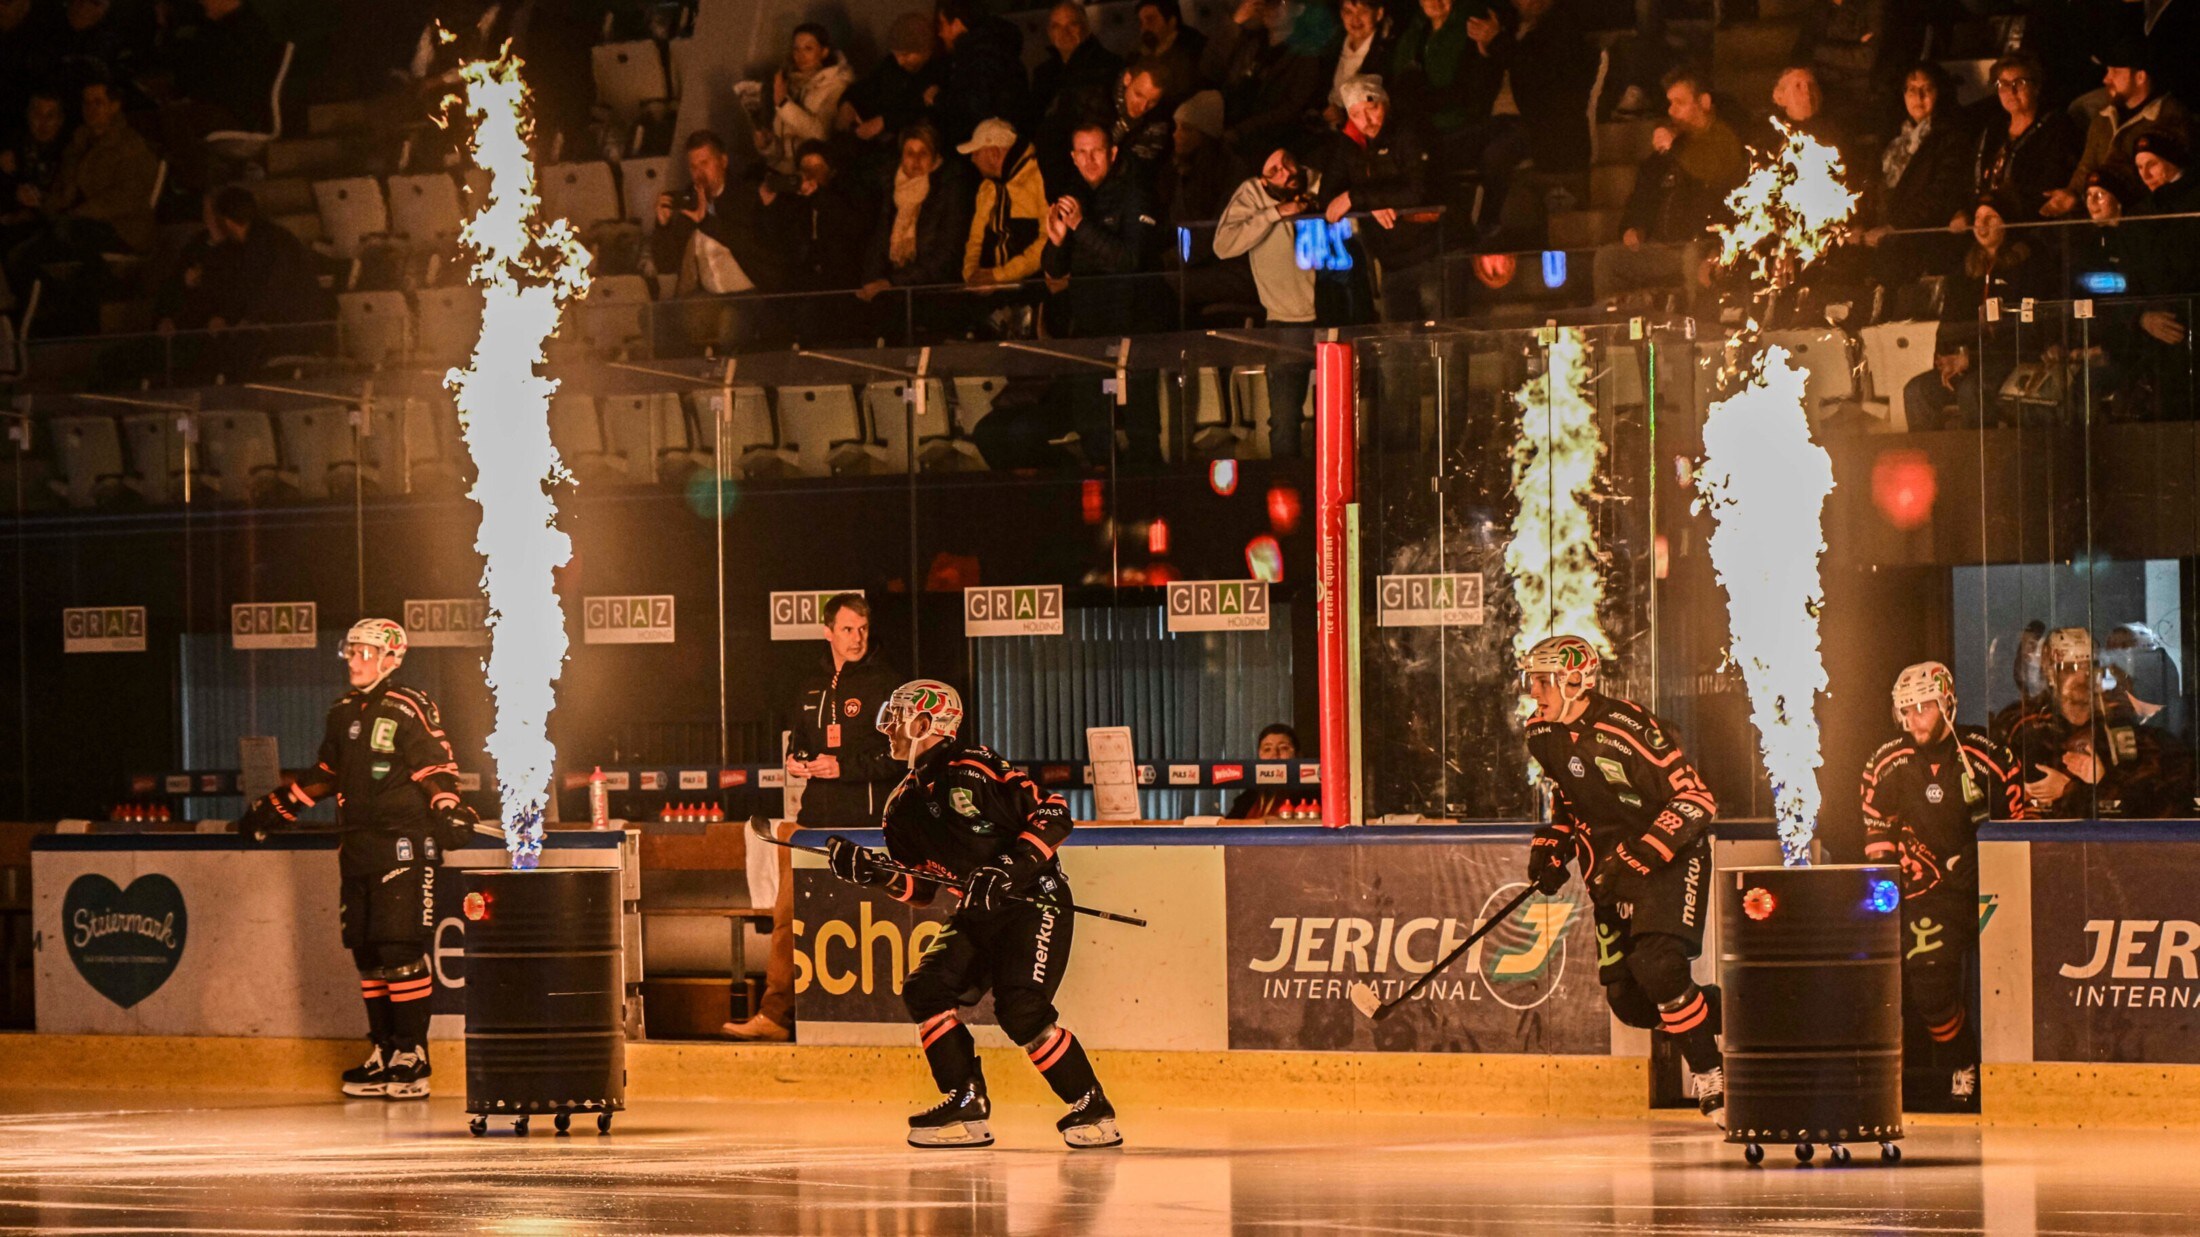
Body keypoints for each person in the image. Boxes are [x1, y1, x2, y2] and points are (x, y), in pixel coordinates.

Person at [822, 680, 1122, 1150]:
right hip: (978, 911)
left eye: (898, 718)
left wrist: (1007, 867)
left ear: (925, 723)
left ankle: (1093, 1108)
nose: (888, 730)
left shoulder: (974, 768)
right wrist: (871, 874)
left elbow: (1055, 812)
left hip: (1035, 900)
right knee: (926, 988)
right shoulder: (901, 807)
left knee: (1021, 1010)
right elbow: (920, 890)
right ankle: (965, 1100)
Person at [235, 620, 476, 1100]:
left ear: (391, 658)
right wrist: (277, 807)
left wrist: (449, 807)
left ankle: (413, 1056)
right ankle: (384, 1051)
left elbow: (435, 766)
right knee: (367, 953)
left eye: (364, 651)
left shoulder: (410, 705)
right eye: (350, 651)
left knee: (398, 948)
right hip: (357, 845)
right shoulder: (341, 710)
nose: (354, 659)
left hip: (402, 843)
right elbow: (327, 774)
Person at [1518, 635, 1725, 1128]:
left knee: (1659, 967)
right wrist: (1553, 844)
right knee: (1629, 1002)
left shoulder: (1628, 728)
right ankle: (1744, 1011)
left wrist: (1641, 854)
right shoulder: (1540, 733)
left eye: (1544, 681)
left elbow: (1698, 800)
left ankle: (1711, 1076)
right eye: (1533, 680)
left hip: (1670, 860)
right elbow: (1570, 800)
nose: (1536, 692)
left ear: (1575, 680)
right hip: (1609, 873)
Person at [728, 594, 902, 1043]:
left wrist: (844, 768)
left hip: (870, 826)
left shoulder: (888, 684)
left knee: (876, 921)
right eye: (847, 629)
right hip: (813, 824)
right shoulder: (808, 685)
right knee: (788, 917)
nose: (857, 638)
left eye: (862, 628)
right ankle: (774, 1015)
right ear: (828, 632)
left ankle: (883, 1019)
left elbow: (900, 756)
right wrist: (797, 760)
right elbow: (801, 742)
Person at [1859, 661, 2025, 1111]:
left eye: (1926, 707)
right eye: (1907, 710)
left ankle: (2015, 1075)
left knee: (2016, 982)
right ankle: (1960, 1063)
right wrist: (1888, 895)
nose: (1916, 719)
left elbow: (2020, 824)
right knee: (1929, 983)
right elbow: (1877, 837)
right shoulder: (1886, 762)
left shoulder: (1989, 753)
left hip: (1996, 886)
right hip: (1928, 890)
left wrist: (1986, 857)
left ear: (1948, 703)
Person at [1041, 122, 1163, 462]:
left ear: (1111, 153)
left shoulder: (1135, 192)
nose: (1089, 159)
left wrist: (1081, 226)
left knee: (1142, 430)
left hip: (1135, 325)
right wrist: (1055, 241)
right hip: (1088, 328)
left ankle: (1152, 498)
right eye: (1081, 152)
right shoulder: (1071, 197)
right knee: (1093, 429)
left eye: (1096, 151)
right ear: (1072, 157)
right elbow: (1053, 271)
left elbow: (1130, 259)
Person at [2, 77, 158, 333]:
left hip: (120, 228)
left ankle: (99, 300)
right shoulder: (78, 142)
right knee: (18, 256)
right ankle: (55, 308)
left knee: (68, 231)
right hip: (76, 226)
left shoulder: (130, 146)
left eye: (99, 102)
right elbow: (63, 193)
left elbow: (128, 197)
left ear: (115, 106)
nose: (91, 109)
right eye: (86, 102)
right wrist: (40, 202)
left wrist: (75, 214)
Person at [1592, 68, 1744, 309]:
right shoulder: (1673, 146)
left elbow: (1715, 174)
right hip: (1665, 249)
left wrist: (1676, 148)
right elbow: (1644, 191)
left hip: (1708, 247)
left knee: (1693, 255)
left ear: (1703, 102)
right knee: (1609, 259)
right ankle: (1614, 332)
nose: (1671, 111)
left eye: (1679, 103)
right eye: (1670, 103)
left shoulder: (1728, 138)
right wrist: (1634, 226)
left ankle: (1701, 333)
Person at [1212, 147, 1323, 453]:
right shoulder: (1251, 193)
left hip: (1334, 316)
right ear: (1261, 180)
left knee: (1336, 415)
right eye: (1273, 170)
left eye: (1287, 162)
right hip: (1285, 321)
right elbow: (1223, 245)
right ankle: (1288, 490)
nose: (1285, 173)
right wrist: (1275, 213)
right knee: (1285, 420)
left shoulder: (1321, 181)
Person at [2006, 626, 2171, 818]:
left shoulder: (2117, 727)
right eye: (2070, 668)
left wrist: (2075, 787)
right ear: (2051, 674)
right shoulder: (2025, 726)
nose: (2082, 676)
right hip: (2045, 842)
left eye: (2090, 666)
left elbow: (2143, 803)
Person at [1317, 76, 1439, 322]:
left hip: (1433, 255)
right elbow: (1327, 199)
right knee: (1397, 350)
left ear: (1385, 102)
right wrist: (1370, 202)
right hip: (1389, 262)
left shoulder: (1409, 132)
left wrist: (1358, 197)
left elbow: (1419, 192)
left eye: (1372, 109)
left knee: (1445, 340)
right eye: (1356, 114)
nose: (1366, 121)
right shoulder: (1349, 143)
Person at [2044, 38, 2190, 219]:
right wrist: (2072, 193)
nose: (2106, 78)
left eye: (2115, 71)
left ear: (2140, 77)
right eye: (2107, 70)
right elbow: (2087, 167)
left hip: (2150, 224)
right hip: (2109, 225)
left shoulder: (2169, 116)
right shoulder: (2103, 119)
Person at [1858, 64, 1973, 290]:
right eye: (1911, 89)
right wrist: (1860, 223)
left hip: (1920, 245)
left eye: (1926, 89)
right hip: (1878, 241)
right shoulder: (1892, 138)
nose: (1918, 97)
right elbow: (1871, 184)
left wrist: (1897, 227)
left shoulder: (1950, 137)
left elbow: (1941, 192)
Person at [652, 130, 784, 297]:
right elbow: (666, 264)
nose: (699, 173)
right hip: (705, 299)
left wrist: (707, 220)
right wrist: (663, 226)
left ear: (723, 161)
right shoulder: (689, 200)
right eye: (694, 166)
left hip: (751, 297)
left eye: (705, 163)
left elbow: (753, 246)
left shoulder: (746, 196)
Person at [858, 121, 973, 303]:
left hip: (933, 292)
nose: (916, 160)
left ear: (935, 157)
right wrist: (871, 282)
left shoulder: (949, 188)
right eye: (910, 153)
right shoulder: (890, 186)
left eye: (923, 153)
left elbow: (947, 253)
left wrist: (893, 282)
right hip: (892, 289)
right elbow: (878, 240)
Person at [1971, 52, 2082, 224]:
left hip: (2031, 224)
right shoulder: (1993, 129)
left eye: (2019, 83)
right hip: (1985, 221)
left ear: (2036, 87)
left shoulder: (2056, 126)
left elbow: (2052, 182)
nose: (2011, 91)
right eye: (2003, 84)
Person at [1216, 0, 1329, 166]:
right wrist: (1235, 23)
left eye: (1279, 2)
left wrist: (1241, 131)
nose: (1270, 7)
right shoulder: (1252, 42)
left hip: (1268, 140)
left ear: (1298, 9)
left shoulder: (1306, 53)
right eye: (1267, 2)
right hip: (1229, 125)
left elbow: (1292, 107)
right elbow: (1212, 70)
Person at [1031, 0, 1124, 193]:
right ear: (1049, 32)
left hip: (1096, 174)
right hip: (1053, 173)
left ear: (1086, 27)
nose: (1064, 32)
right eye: (1057, 26)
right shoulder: (1043, 74)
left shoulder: (1109, 66)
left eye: (1071, 24)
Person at [838, 12, 946, 176]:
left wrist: (885, 121)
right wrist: (847, 102)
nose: (900, 61)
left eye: (906, 55)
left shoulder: (938, 73)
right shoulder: (891, 66)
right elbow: (865, 87)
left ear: (925, 50)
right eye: (896, 54)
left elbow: (924, 113)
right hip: (875, 149)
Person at [750, 23, 854, 178]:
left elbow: (821, 135)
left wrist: (784, 104)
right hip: (780, 171)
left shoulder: (836, 85)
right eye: (796, 49)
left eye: (808, 49)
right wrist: (768, 144)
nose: (800, 56)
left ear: (824, 52)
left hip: (809, 175)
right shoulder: (790, 81)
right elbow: (785, 143)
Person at [961, 117, 1047, 288]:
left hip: (1030, 290)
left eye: (976, 152)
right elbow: (974, 241)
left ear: (994, 153)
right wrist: (972, 275)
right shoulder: (987, 188)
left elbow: (1047, 242)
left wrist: (999, 276)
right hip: (992, 293)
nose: (972, 159)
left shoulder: (1039, 177)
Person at [933, 0, 1029, 147]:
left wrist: (938, 99)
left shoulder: (977, 58)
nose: (940, 33)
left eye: (941, 24)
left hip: (989, 145)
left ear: (957, 24)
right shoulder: (996, 48)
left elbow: (975, 107)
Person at [1133, 0, 1208, 102]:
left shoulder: (1195, 50)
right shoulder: (1139, 54)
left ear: (1171, 21)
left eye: (1151, 20)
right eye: (1141, 22)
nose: (1144, 28)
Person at [1225, 723, 1300, 818]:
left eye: (1283, 748)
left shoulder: (1310, 793)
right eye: (1267, 749)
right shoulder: (1248, 796)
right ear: (1259, 756)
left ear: (1298, 754)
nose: (1274, 755)